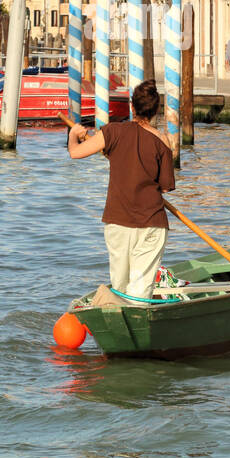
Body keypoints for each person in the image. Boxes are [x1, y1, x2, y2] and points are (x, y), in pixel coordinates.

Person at [66, 79, 174, 301]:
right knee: (141, 288)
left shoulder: (112, 132)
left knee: (120, 286)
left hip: (118, 221)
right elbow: (164, 187)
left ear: (132, 107)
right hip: (151, 222)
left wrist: (73, 135)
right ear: (155, 111)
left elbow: (75, 152)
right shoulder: (162, 141)